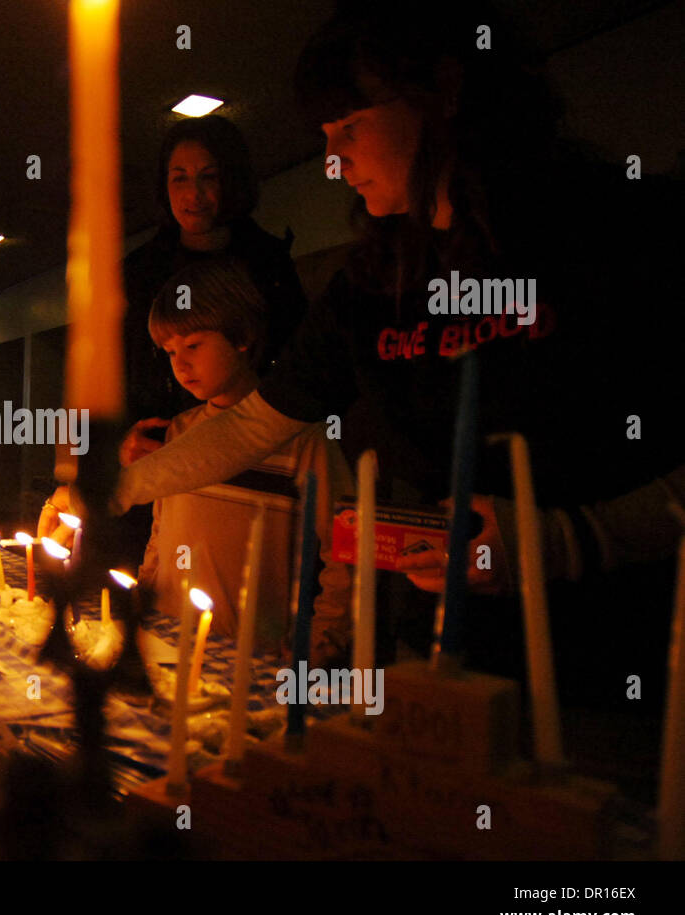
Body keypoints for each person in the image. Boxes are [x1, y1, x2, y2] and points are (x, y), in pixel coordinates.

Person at [113, 0, 685, 741]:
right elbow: (256, 422)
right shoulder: (372, 281)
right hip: (432, 665)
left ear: (443, 94)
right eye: (324, 136)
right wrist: (116, 486)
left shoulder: (621, 230)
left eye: (349, 128)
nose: (334, 159)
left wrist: (568, 538)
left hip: (615, 689)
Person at [108, 115, 308, 563]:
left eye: (208, 177)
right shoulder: (140, 272)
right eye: (179, 178)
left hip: (258, 458)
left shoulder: (269, 267)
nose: (192, 194)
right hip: (160, 454)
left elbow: (297, 368)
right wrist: (125, 436)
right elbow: (120, 371)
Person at [138, 259, 353, 661]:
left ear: (242, 337)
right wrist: (142, 597)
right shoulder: (181, 431)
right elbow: (161, 532)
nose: (180, 364)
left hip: (251, 657)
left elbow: (347, 551)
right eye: (170, 351)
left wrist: (322, 638)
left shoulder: (302, 437)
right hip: (164, 640)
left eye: (193, 345)